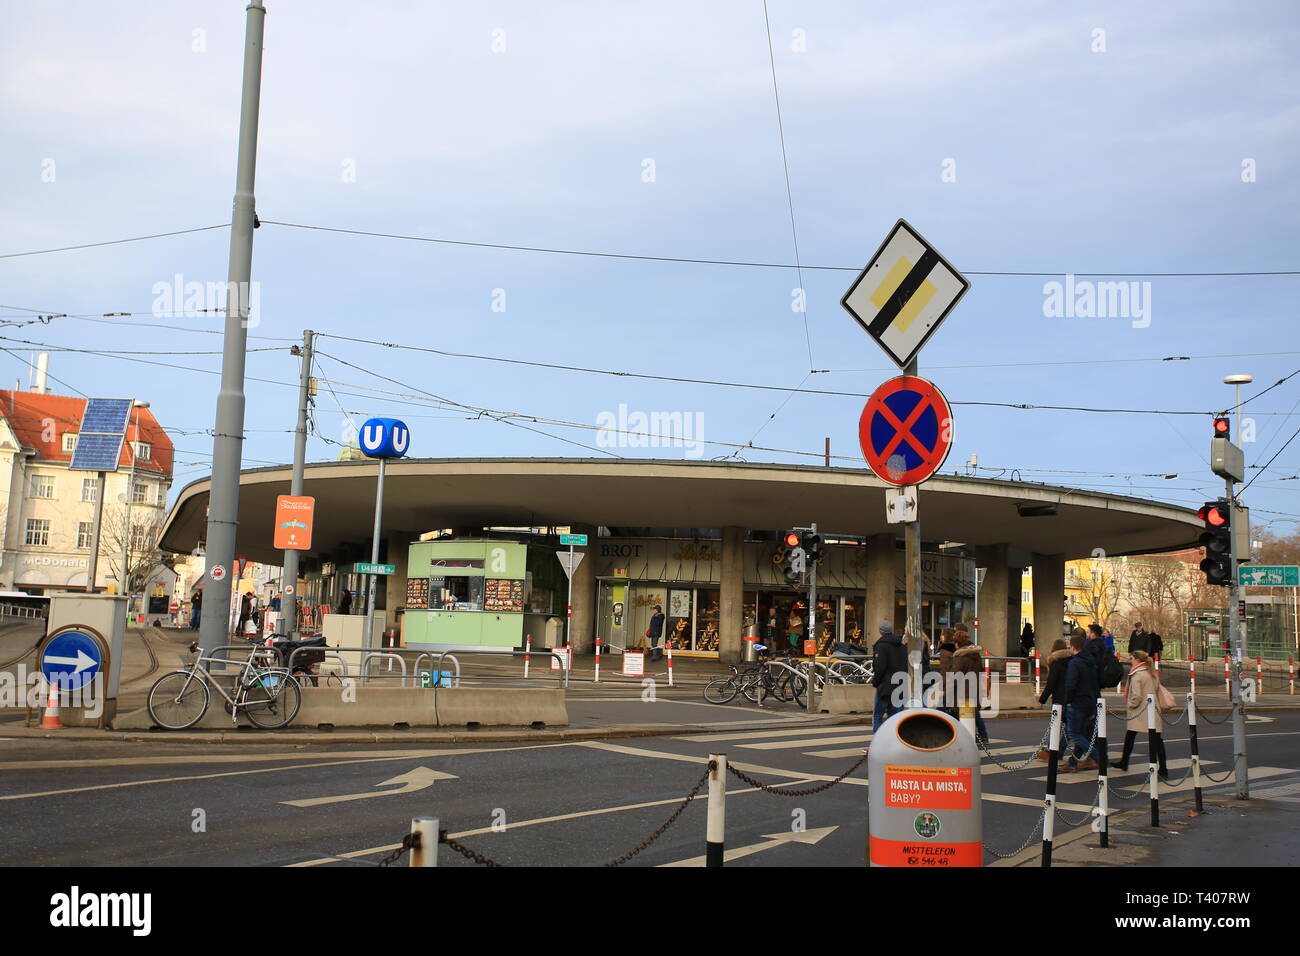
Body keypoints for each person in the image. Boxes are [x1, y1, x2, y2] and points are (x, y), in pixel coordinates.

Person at [1111, 650, 1169, 778]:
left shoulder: (1137, 675)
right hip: (1153, 709)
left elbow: (1136, 695)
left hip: (1140, 710)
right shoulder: (1151, 673)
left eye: (1131, 658)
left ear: (1137, 660)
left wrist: (1130, 705)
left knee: (1130, 736)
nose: (1130, 661)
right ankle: (1163, 767)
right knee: (1156, 740)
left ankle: (1124, 761)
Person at [1061, 630, 1100, 772]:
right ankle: (1072, 763)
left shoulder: (1075, 663)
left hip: (1077, 702)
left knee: (1074, 734)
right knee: (1081, 734)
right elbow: (1094, 684)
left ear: (1073, 647)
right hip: (1089, 702)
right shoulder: (1090, 662)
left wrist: (1068, 701)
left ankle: (1098, 756)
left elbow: (1070, 684)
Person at [949, 627, 989, 743]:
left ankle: (962, 737)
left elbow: (955, 676)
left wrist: (947, 690)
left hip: (963, 693)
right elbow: (980, 672)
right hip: (974, 690)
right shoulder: (976, 655)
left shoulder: (960, 657)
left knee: (958, 714)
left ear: (957, 643)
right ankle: (982, 735)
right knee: (973, 713)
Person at [1034, 638, 1072, 759]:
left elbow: (1051, 684)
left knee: (1056, 724)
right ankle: (1056, 749)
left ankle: (1054, 750)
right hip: (1070, 699)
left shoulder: (1056, 663)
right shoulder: (1071, 661)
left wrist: (1041, 701)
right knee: (1069, 727)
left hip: (1059, 700)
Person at [871, 621, 907, 731]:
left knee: (878, 715)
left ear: (881, 631)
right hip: (899, 685)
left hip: (885, 686)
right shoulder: (901, 646)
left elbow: (880, 667)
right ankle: (894, 741)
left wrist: (875, 682)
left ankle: (878, 742)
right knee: (895, 717)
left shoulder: (881, 646)